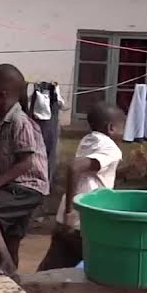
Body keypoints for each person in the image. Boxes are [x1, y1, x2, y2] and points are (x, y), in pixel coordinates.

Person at [0, 64, 49, 276]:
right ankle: (11, 274)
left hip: (27, 186)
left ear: (1, 95)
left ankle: (5, 263)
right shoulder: (0, 119)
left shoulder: (19, 121)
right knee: (11, 236)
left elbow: (26, 163)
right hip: (18, 185)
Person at [36, 102, 125, 272]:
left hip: (68, 219)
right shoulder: (111, 148)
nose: (124, 132)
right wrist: (71, 210)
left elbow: (97, 173)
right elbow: (75, 167)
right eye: (123, 126)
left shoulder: (89, 140)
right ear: (111, 128)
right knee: (107, 269)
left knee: (51, 269)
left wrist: (130, 169)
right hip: (85, 220)